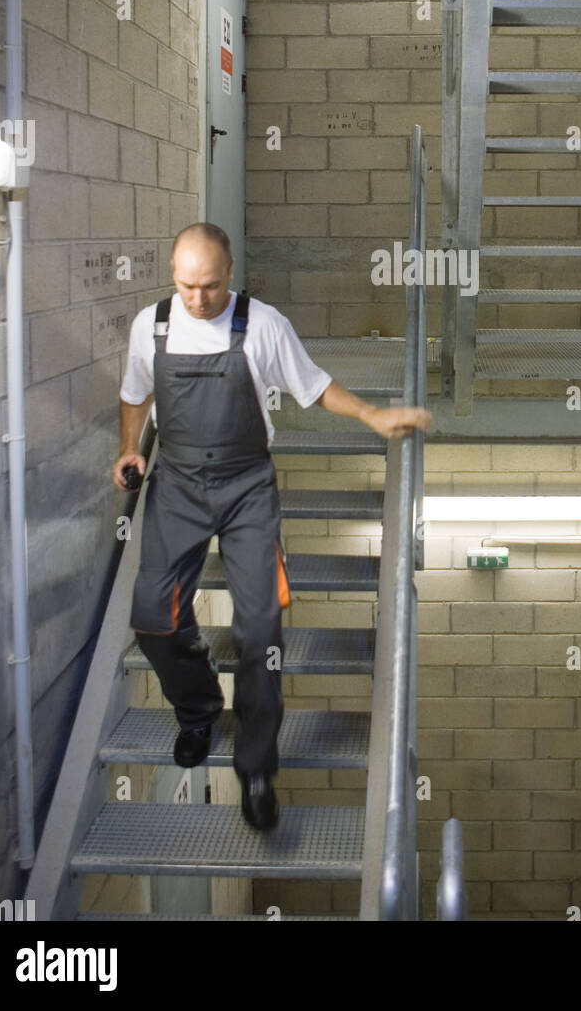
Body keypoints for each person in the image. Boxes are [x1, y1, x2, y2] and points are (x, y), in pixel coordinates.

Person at [111, 222, 431, 832]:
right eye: (185, 285)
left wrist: (370, 413)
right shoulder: (151, 325)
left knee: (261, 631)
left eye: (207, 285)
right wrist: (130, 448)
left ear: (229, 272)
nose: (197, 298)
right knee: (152, 618)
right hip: (176, 486)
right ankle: (199, 707)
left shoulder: (262, 325)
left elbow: (313, 388)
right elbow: (136, 392)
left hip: (246, 488)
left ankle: (256, 769)